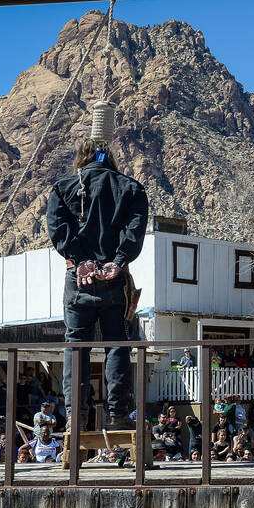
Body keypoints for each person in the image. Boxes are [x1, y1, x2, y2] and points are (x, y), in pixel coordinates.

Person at [46, 138, 148, 431]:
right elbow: (134, 231)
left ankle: (76, 417)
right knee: (117, 343)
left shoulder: (63, 188)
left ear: (81, 157)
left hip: (79, 278)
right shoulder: (131, 188)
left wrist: (81, 260)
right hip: (115, 279)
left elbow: (58, 229)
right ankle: (118, 414)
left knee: (76, 344)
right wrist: (118, 261)